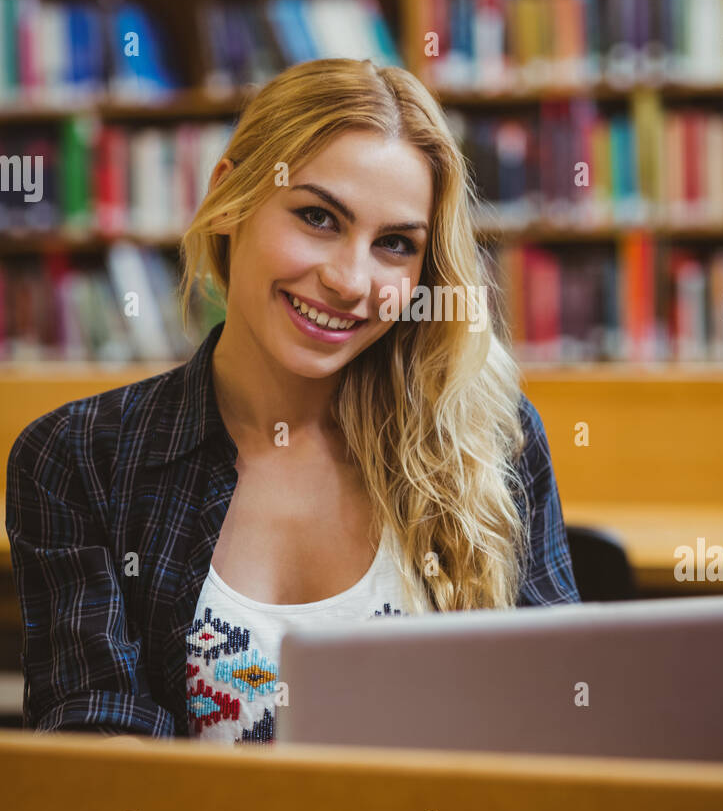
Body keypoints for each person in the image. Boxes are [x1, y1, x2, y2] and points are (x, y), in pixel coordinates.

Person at [7, 58, 579, 743]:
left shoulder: (491, 440)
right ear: (231, 197)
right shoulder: (79, 459)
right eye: (317, 217)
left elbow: (560, 717)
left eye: (395, 244)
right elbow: (100, 758)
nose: (349, 280)